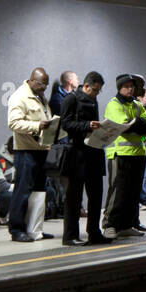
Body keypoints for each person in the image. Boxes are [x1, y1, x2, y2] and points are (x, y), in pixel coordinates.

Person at [58, 71, 113, 246]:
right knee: (74, 197)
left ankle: (94, 232)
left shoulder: (92, 99)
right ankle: (70, 235)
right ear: (86, 85)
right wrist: (86, 125)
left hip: (94, 151)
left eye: (99, 91)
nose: (97, 94)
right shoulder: (71, 99)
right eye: (95, 90)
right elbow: (65, 124)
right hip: (77, 153)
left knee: (96, 195)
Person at [6, 67, 58, 243]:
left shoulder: (40, 97)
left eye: (46, 85)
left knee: (39, 192)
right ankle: (16, 229)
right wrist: (37, 126)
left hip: (41, 150)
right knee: (23, 191)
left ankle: (35, 229)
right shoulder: (19, 97)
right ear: (33, 80)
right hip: (26, 151)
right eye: (42, 85)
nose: (45, 88)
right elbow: (13, 123)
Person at [102, 74, 146, 237]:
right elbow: (124, 126)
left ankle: (127, 224)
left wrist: (136, 123)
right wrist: (137, 124)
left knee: (133, 192)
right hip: (120, 154)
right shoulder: (113, 104)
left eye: (132, 86)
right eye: (127, 86)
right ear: (119, 87)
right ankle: (110, 224)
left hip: (138, 153)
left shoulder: (138, 105)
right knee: (118, 191)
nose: (130, 89)